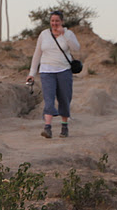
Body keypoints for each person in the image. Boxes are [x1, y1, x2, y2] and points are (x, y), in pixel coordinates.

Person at [26, 10, 81, 139]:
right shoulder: (44, 34)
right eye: (52, 21)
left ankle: (64, 126)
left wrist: (64, 35)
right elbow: (37, 54)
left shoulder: (68, 33)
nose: (54, 23)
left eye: (57, 21)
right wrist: (31, 73)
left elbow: (76, 48)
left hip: (64, 71)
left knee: (64, 99)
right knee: (48, 100)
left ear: (62, 21)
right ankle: (47, 127)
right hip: (46, 72)